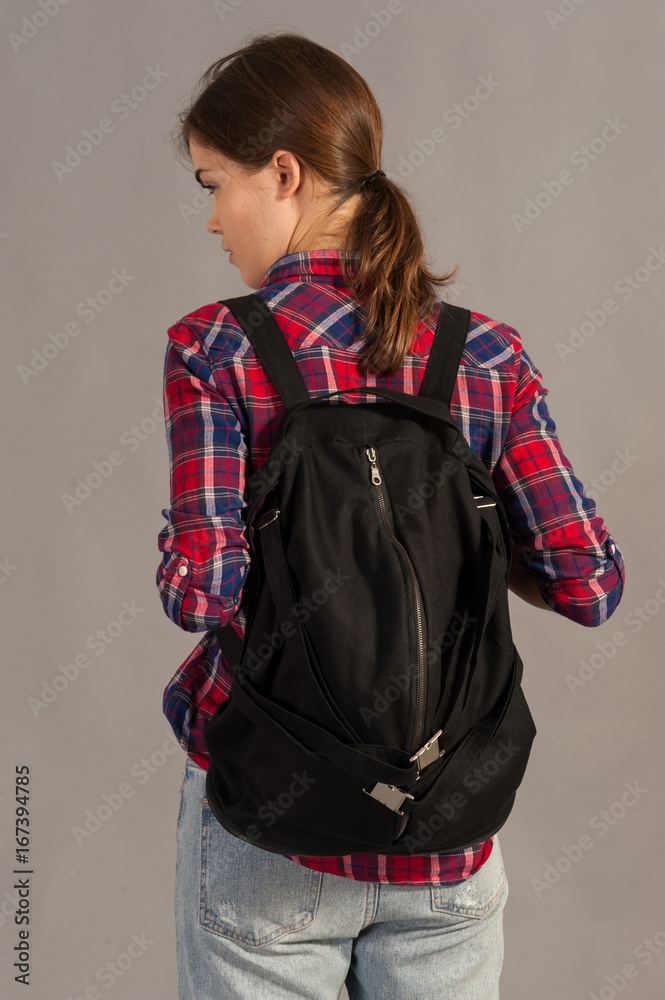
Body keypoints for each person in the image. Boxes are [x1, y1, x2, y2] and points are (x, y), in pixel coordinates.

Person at [156, 30, 625, 1000]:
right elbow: (587, 582)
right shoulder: (481, 357)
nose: (211, 219)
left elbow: (202, 595)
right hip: (447, 836)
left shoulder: (216, 350)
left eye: (213, 183)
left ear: (280, 173)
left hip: (270, 836)